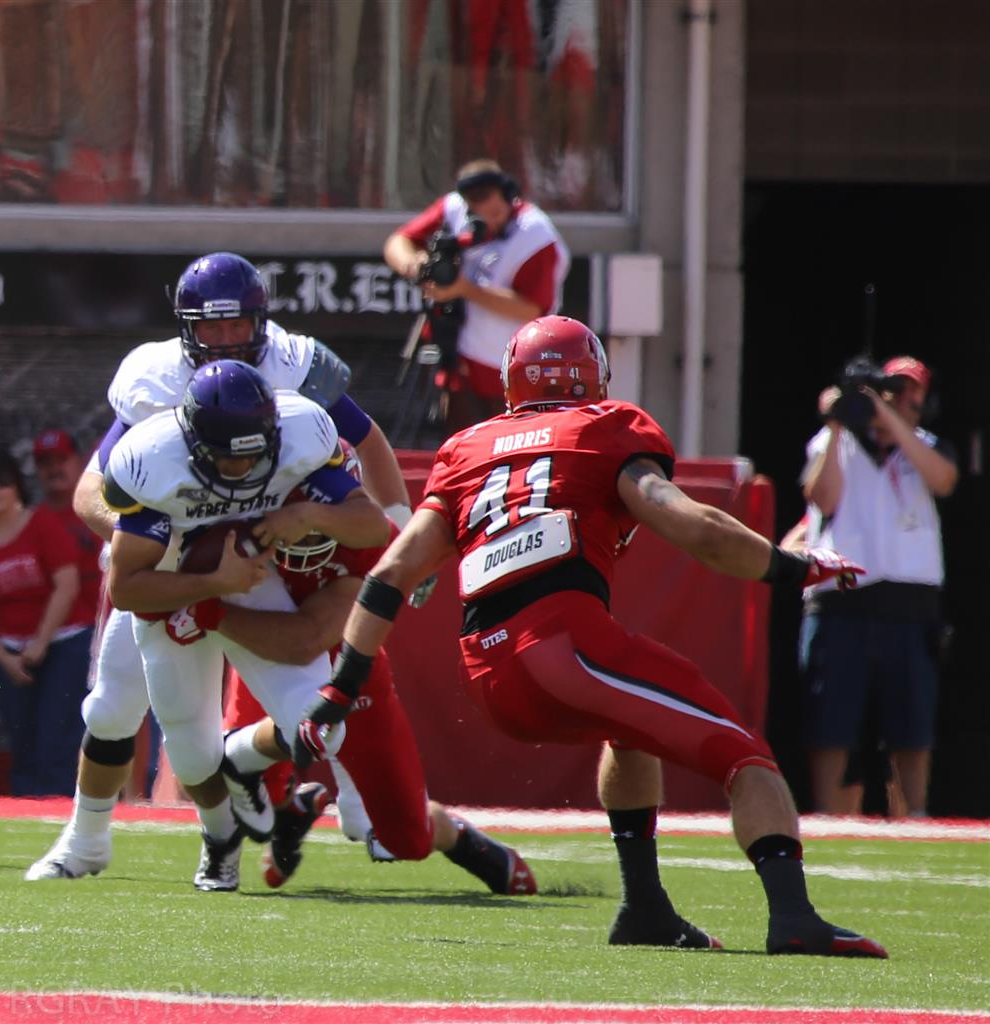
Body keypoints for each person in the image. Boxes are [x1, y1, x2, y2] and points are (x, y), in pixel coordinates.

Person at [297, 316, 889, 958]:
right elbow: (697, 528)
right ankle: (794, 916)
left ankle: (644, 909)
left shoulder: (466, 448)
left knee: (629, 732)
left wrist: (341, 688)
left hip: (488, 678)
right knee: (744, 755)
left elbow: (390, 576)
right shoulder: (605, 428)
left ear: (512, 384)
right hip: (564, 648)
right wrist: (794, 566)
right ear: (595, 378)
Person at [27, 251, 412, 883]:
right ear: (187, 327)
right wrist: (162, 547)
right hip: (174, 564)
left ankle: (345, 801)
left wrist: (395, 533)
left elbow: (367, 443)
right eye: (212, 326)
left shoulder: (296, 380)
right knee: (114, 709)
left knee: (321, 697)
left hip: (266, 558)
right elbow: (91, 493)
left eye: (238, 325)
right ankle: (88, 837)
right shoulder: (153, 398)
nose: (228, 339)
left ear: (261, 321)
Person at [195, 451, 535, 896]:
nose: (308, 538)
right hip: (264, 655)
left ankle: (461, 839)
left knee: (400, 840)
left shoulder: (374, 543)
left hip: (346, 674)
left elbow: (307, 640)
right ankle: (283, 809)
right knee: (245, 795)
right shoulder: (244, 518)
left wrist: (205, 610)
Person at [106, 360, 388, 890]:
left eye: (255, 453)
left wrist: (308, 515)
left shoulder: (301, 432)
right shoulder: (154, 461)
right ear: (195, 443)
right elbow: (125, 587)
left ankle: (240, 757)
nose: (244, 468)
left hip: (250, 574)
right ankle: (220, 839)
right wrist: (212, 581)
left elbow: (373, 525)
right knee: (192, 755)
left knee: (323, 727)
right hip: (173, 590)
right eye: (229, 457)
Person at [800, 355, 957, 817]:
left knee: (911, 725)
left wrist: (892, 420)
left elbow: (943, 481)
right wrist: (837, 422)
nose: (902, 403)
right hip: (843, 598)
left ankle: (914, 817)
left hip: (910, 603)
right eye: (893, 394)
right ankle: (826, 815)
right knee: (831, 720)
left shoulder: (928, 446)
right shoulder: (833, 443)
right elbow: (821, 496)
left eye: (912, 398)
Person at [384, 159, 570, 433]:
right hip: (457, 358)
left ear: (507, 194)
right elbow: (397, 242)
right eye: (475, 203)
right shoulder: (454, 208)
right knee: (459, 442)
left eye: (493, 208)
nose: (486, 214)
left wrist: (464, 289)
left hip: (510, 372)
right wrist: (418, 267)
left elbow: (532, 309)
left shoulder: (536, 235)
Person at [0, 452, 91, 796]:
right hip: (9, 653)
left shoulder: (42, 524)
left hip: (64, 641)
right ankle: (26, 806)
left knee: (57, 735)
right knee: (20, 740)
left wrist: (40, 642)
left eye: (2, 482)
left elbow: (67, 584)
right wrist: (4, 658)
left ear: (18, 487)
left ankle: (59, 804)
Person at [32, 430, 103, 634]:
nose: (54, 469)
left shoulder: (103, 506)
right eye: (46, 463)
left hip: (111, 617)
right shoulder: (32, 522)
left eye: (61, 460)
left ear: (79, 461)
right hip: (64, 632)